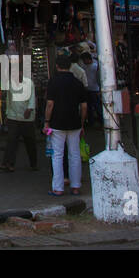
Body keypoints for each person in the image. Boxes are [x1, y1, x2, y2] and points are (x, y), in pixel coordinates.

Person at [44, 52, 88, 196]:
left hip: (57, 123)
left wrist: (46, 122)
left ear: (57, 66)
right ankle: (75, 186)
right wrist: (82, 123)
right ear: (69, 66)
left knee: (57, 155)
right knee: (74, 155)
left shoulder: (53, 82)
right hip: (74, 122)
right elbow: (84, 107)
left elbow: (50, 104)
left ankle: (58, 187)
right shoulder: (78, 83)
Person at [0, 55, 37, 172]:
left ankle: (33, 164)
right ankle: (8, 163)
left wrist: (29, 109)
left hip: (27, 118)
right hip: (13, 116)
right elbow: (9, 100)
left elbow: (32, 99)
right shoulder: (10, 83)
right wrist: (6, 114)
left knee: (29, 141)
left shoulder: (29, 83)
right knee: (11, 141)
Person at [81, 51, 102, 127]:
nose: (84, 61)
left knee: (97, 106)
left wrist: (99, 89)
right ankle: (91, 122)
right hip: (87, 89)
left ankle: (101, 121)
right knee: (89, 107)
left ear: (88, 59)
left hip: (95, 89)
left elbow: (98, 78)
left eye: (84, 60)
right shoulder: (84, 67)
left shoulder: (95, 66)